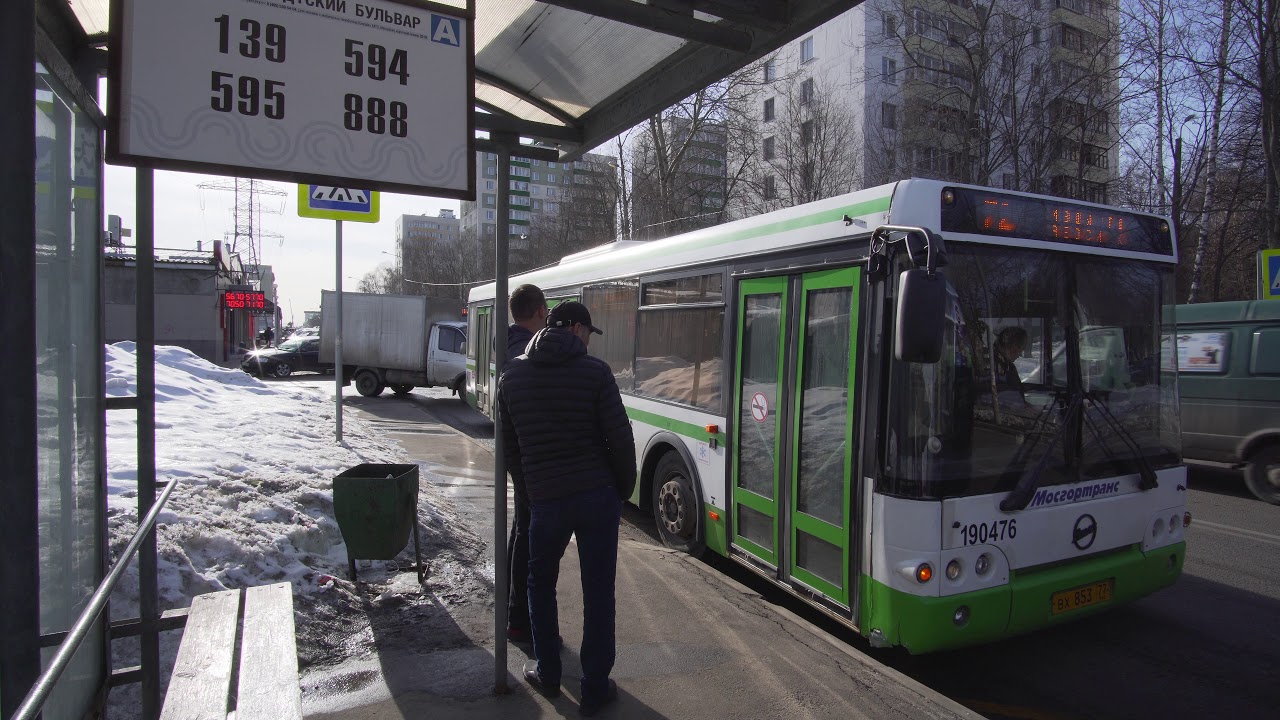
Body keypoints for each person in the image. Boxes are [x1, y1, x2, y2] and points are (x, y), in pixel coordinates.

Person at [496, 301, 635, 716]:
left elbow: (511, 448)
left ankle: (550, 673)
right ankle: (594, 688)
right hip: (597, 497)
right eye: (589, 332)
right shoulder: (595, 373)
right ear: (575, 329)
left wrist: (532, 489)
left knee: (540, 583)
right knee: (598, 589)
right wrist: (620, 491)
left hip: (546, 500)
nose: (589, 340)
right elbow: (620, 439)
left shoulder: (512, 376)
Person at [503, 284, 548, 644]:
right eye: (545, 313)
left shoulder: (511, 343)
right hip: (528, 457)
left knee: (521, 529)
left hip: (520, 456)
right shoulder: (523, 351)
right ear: (538, 313)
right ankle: (520, 619)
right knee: (527, 537)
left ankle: (512, 609)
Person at [992, 326, 1027, 395]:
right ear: (1013, 347)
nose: (1019, 355)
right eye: (1020, 349)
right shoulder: (995, 367)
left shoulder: (1007, 365)